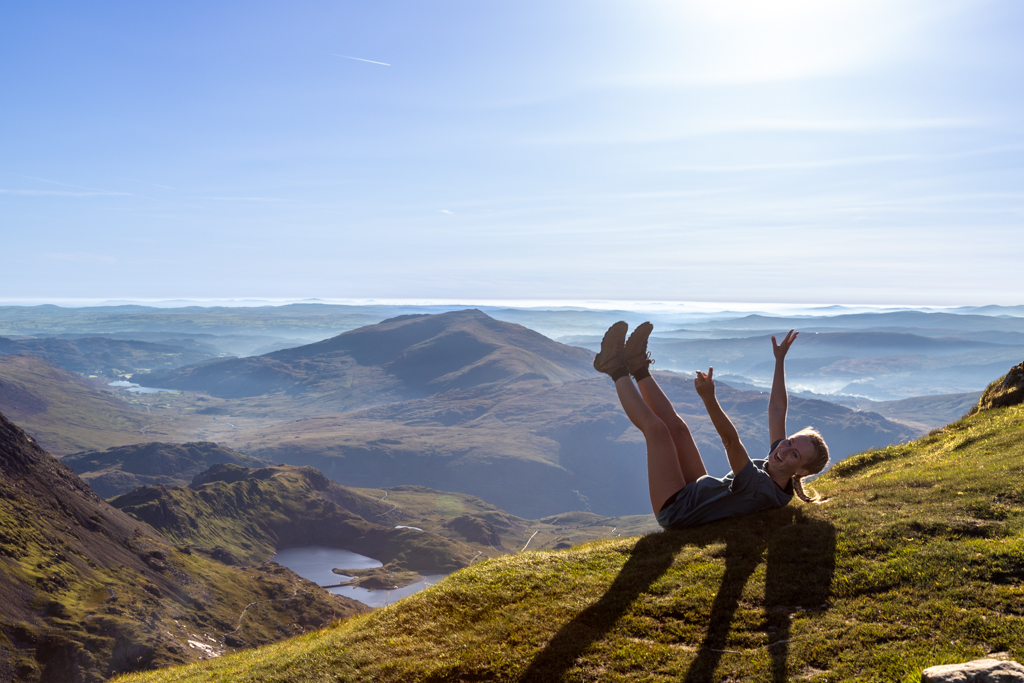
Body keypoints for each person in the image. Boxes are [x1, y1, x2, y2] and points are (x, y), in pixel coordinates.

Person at [593, 321, 830, 529]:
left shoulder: (759, 488)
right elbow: (778, 411)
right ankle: (638, 367)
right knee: (679, 430)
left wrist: (709, 398)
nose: (784, 449)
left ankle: (613, 367)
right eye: (789, 442)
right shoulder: (781, 469)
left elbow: (730, 442)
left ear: (802, 471)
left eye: (794, 454)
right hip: (702, 494)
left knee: (657, 431)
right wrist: (780, 361)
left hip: (679, 512)